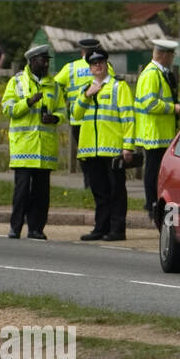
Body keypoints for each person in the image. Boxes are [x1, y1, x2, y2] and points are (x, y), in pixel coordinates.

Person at [0, 44, 64, 239]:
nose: (46, 64)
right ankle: (15, 227)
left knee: (41, 193)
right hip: (24, 148)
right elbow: (8, 109)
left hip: (45, 149)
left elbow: (63, 111)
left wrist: (55, 119)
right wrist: (28, 102)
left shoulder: (54, 85)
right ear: (32, 61)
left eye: (47, 60)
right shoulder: (17, 82)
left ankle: (36, 229)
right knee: (21, 192)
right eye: (42, 60)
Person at [73, 48, 135, 241]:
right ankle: (101, 227)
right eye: (93, 64)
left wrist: (128, 146)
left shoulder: (118, 86)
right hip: (92, 149)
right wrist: (87, 95)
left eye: (100, 62)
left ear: (106, 64)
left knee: (116, 190)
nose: (97, 66)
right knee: (99, 190)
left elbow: (128, 117)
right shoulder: (85, 88)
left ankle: (117, 229)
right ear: (90, 68)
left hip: (113, 148)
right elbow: (75, 114)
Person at [135, 38, 180, 220]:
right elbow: (149, 104)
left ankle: (155, 204)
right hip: (154, 133)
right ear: (164, 55)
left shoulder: (161, 73)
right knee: (152, 170)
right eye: (171, 55)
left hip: (163, 132)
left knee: (158, 171)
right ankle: (151, 205)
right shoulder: (151, 75)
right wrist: (173, 108)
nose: (173, 58)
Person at [54, 37, 111, 186]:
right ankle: (101, 182)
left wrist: (65, 101)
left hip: (78, 118)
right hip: (101, 118)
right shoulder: (106, 66)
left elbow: (54, 87)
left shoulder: (70, 68)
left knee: (84, 153)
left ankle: (88, 183)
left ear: (82, 51)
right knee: (100, 153)